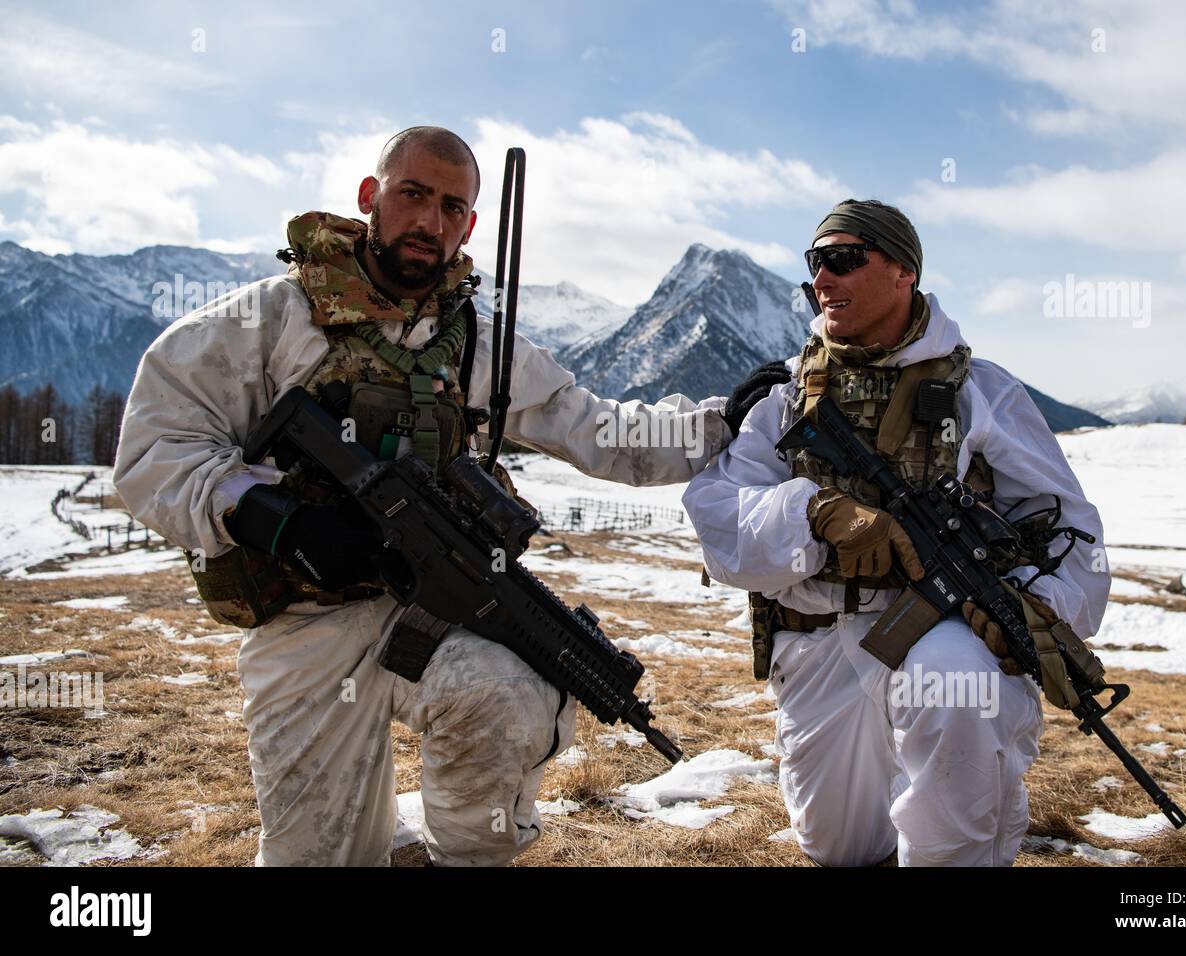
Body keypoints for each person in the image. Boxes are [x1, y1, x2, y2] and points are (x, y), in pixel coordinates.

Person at [113, 126, 731, 866]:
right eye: (412, 195)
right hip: (304, 622)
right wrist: (269, 517)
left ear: (468, 225)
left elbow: (602, 433)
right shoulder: (273, 318)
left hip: (427, 613)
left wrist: (730, 424)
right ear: (371, 197)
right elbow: (156, 446)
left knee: (509, 696)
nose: (430, 222)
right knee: (319, 856)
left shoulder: (476, 345)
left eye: (452, 207)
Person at [683, 199, 1109, 866]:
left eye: (844, 260)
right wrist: (815, 514)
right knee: (840, 848)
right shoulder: (787, 400)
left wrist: (1033, 606)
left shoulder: (981, 393)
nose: (822, 278)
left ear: (904, 271)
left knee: (958, 691)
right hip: (819, 639)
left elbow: (1072, 530)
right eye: (814, 263)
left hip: (943, 632)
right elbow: (718, 519)